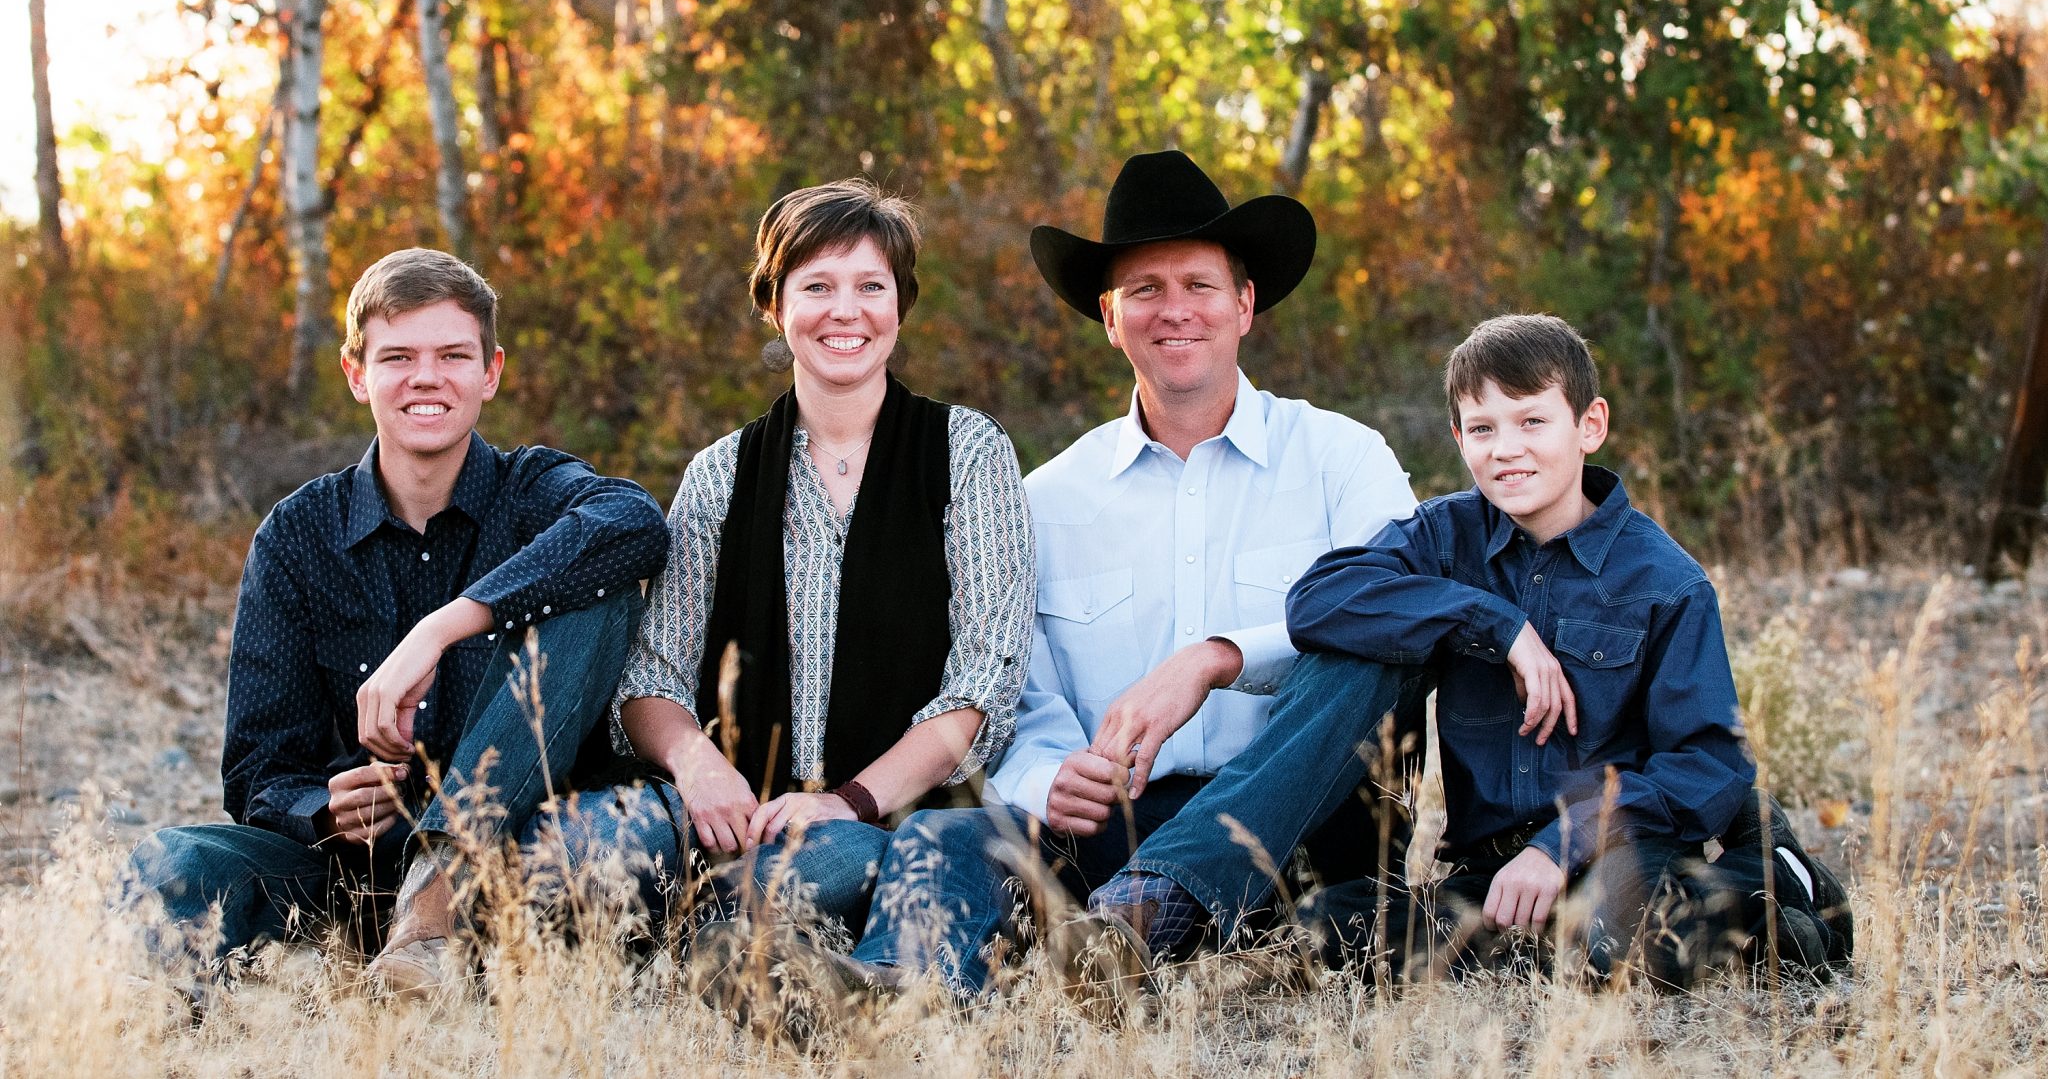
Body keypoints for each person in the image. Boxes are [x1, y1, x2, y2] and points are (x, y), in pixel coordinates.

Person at [696, 149, 1425, 1037]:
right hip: (1121, 830)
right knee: (946, 835)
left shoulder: (1342, 457)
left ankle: (1152, 915)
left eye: (1199, 282)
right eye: (1144, 289)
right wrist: (1049, 778)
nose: (1176, 309)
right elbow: (1025, 694)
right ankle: (892, 993)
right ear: (1110, 319)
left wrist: (1216, 658)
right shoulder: (1051, 496)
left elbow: (1402, 608)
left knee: (1362, 637)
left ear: (1245, 304)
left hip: (1308, 820)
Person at [1065, 312, 1844, 1007]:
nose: (1507, 451)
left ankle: (1769, 885)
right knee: (1335, 933)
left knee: (1605, 939)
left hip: (1612, 849)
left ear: (1590, 424)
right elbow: (1320, 602)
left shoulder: (1665, 583)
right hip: (1488, 872)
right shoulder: (1446, 537)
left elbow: (1707, 764)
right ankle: (1625, 921)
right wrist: (1494, 623)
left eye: (1532, 421)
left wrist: (1562, 842)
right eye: (1482, 429)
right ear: (1457, 438)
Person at [122, 249, 670, 1002]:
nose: (427, 376)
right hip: (358, 872)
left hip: (527, 853)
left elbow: (634, 522)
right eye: (398, 356)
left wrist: (444, 626)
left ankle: (441, 899)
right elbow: (255, 770)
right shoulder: (298, 536)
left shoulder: (533, 491)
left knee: (596, 590)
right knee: (171, 856)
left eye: (452, 354)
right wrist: (325, 810)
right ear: (357, 373)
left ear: (491, 371)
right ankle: (186, 1006)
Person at [605, 179, 1035, 952]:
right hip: (736, 821)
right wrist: (698, 765)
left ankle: (757, 942)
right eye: (817, 286)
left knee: (857, 858)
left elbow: (982, 686)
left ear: (900, 304)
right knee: (622, 861)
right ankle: (742, 930)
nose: (847, 311)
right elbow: (649, 681)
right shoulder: (719, 473)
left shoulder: (968, 452)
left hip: (901, 820)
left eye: (872, 285)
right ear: (776, 307)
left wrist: (848, 801)